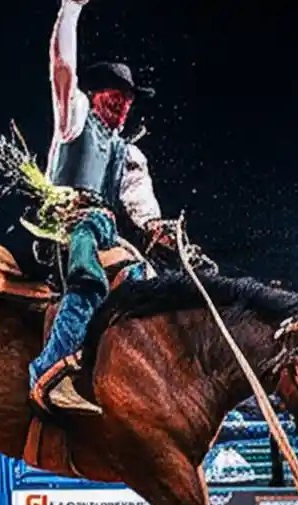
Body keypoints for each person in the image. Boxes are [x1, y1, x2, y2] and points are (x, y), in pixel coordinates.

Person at [27, 0, 185, 416]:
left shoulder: (128, 153)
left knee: (147, 283)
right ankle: (49, 371)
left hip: (104, 233)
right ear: (96, 95)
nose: (125, 105)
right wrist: (71, 9)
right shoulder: (74, 118)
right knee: (91, 279)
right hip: (68, 227)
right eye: (118, 96)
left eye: (129, 100)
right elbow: (61, 67)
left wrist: (159, 229)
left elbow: (142, 204)